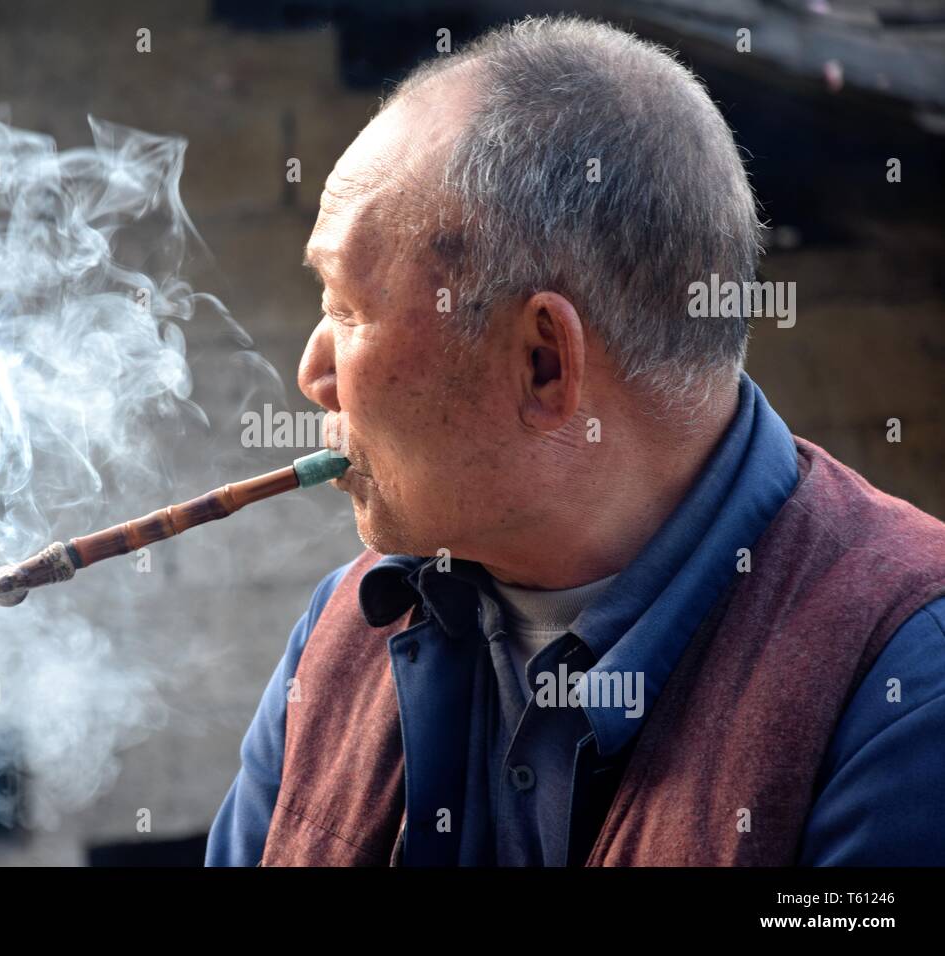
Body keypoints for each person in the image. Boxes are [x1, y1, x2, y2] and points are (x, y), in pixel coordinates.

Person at [206, 16, 945, 866]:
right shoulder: (344, 635)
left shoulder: (904, 687)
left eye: (344, 308)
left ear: (545, 363)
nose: (313, 372)